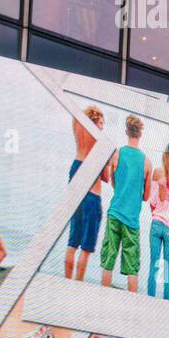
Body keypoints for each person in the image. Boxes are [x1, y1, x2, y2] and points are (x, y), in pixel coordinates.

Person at [100, 115, 153, 293]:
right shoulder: (147, 162)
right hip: (131, 220)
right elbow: (146, 196)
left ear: (126, 132)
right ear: (141, 134)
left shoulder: (117, 154)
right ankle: (132, 308)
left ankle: (102, 299)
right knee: (132, 269)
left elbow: (113, 183)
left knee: (108, 263)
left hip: (114, 214)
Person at [64, 106, 106, 282]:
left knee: (72, 242)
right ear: (95, 122)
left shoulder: (76, 126)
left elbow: (77, 114)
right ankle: (77, 285)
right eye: (102, 123)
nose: (103, 127)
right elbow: (104, 176)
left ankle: (66, 282)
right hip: (92, 193)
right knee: (86, 248)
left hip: (75, 168)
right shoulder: (98, 140)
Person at [146, 142, 169, 299]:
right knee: (167, 268)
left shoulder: (157, 172)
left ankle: (150, 299)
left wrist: (156, 214)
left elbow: (153, 202)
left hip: (156, 224)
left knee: (154, 265)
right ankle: (166, 301)